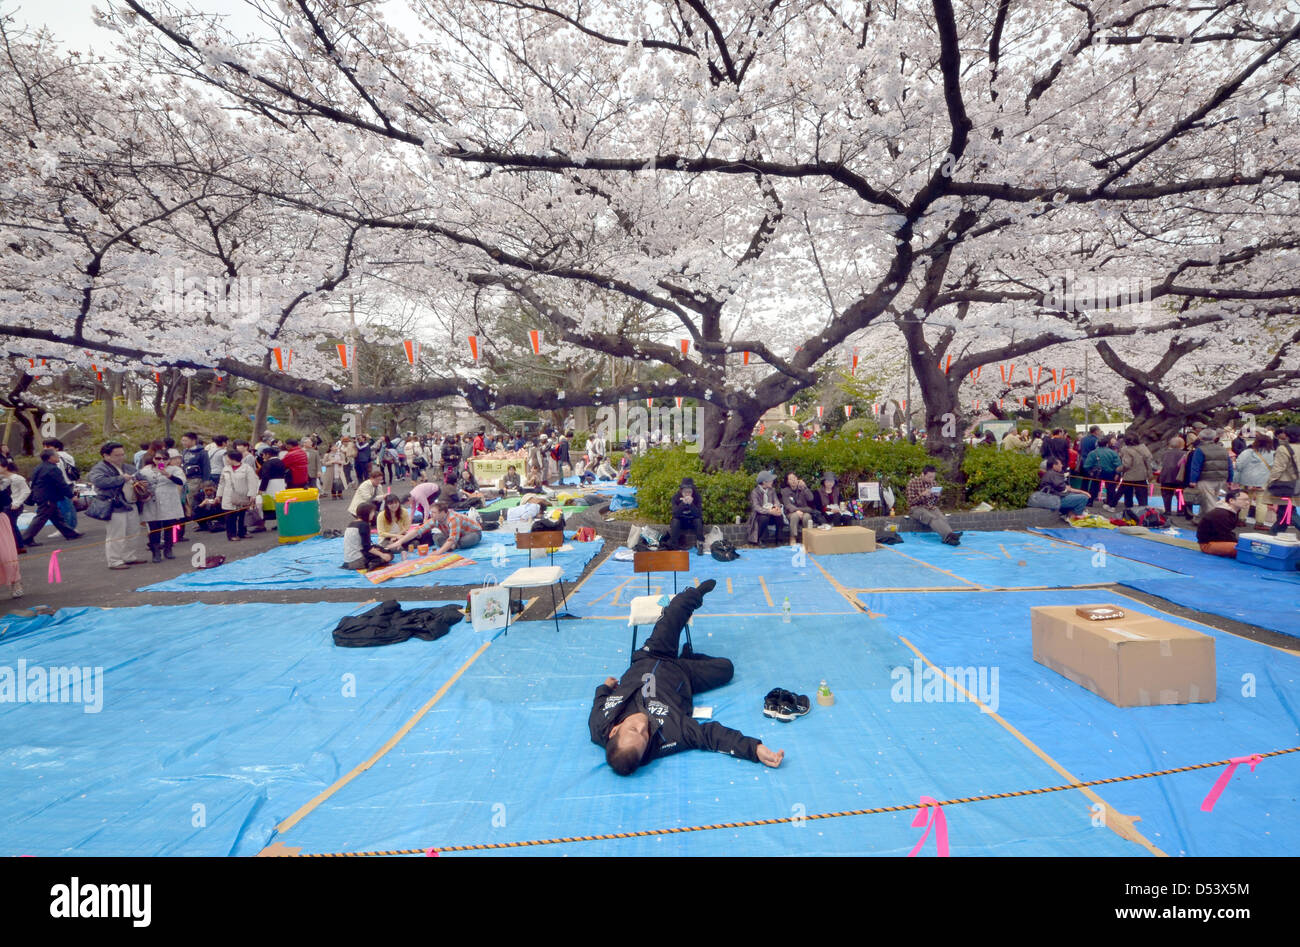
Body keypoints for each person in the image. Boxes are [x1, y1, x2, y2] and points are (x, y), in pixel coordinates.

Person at [591, 581, 784, 776]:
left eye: (633, 729)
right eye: (644, 736)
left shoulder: (600, 725)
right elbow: (709, 735)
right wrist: (754, 749)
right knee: (725, 668)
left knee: (674, 613)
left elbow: (598, 703)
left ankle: (693, 593)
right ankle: (687, 656)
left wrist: (605, 688)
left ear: (614, 731)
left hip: (651, 655)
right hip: (682, 676)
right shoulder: (671, 735)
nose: (642, 726)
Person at [88, 442, 148, 570]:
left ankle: (129, 557)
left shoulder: (128, 467)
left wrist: (142, 483)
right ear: (106, 456)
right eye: (117, 455)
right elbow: (99, 481)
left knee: (133, 532)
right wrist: (121, 479)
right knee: (116, 534)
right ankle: (114, 560)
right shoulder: (100, 468)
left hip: (132, 503)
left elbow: (141, 476)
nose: (121, 457)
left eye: (122, 454)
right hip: (115, 504)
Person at [18, 449, 83, 547]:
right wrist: (72, 496)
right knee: (41, 517)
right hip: (48, 496)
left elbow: (33, 482)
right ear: (50, 458)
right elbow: (61, 484)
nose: (58, 457)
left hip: (41, 495)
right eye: (56, 456)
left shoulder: (39, 467)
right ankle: (26, 538)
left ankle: (70, 534)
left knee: (56, 517)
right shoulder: (53, 469)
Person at [137, 448, 187, 562]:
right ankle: (155, 552)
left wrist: (168, 475)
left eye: (164, 459)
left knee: (169, 526)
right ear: (153, 459)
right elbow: (136, 481)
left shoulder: (175, 469)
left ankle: (168, 549)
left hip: (169, 501)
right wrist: (140, 484)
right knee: (154, 528)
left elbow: (181, 482)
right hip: (151, 502)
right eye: (158, 458)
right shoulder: (145, 470)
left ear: (168, 460)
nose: (161, 461)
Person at [905, 465, 962, 545]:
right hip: (916, 508)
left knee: (942, 518)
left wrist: (936, 496)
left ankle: (951, 536)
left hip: (930, 507)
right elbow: (910, 502)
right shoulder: (912, 483)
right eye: (929, 477)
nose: (931, 479)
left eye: (933, 477)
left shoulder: (934, 483)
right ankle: (948, 537)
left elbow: (934, 502)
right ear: (922, 474)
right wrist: (922, 495)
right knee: (931, 517)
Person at [1186, 428, 1234, 523]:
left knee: (1209, 502)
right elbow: (1230, 465)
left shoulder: (1200, 450)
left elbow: (1195, 466)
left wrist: (1193, 480)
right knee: (1210, 499)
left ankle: (1215, 522)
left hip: (1206, 479)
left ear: (1200, 437)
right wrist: (1230, 479)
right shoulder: (1223, 449)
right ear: (1215, 437)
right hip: (1221, 478)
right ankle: (1200, 519)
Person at [1263, 425, 1300, 537]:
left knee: (1287, 511)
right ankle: (1273, 535)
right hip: (1297, 483)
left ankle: (1272, 537)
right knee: (1284, 513)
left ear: (1287, 435)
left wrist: (1269, 484)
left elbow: (1278, 469)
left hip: (1285, 485)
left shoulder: (1283, 449)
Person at [1233, 435, 1275, 527]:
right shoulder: (1273, 453)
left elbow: (1239, 465)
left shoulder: (1247, 452)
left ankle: (1241, 520)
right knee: (1262, 503)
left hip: (1246, 480)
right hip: (1264, 481)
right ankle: (1259, 523)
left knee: (1244, 499)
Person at [218, 449, 259, 541]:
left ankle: (242, 532)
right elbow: (221, 483)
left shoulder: (247, 468)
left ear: (233, 458)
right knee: (230, 517)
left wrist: (252, 494)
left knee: (242, 515)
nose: (226, 460)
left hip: (242, 495)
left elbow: (252, 482)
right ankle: (231, 535)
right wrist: (218, 495)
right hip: (228, 496)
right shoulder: (225, 469)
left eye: (227, 458)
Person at [1196, 489, 1251, 557]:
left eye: (1248, 500)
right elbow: (1223, 535)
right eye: (1244, 500)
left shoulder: (1232, 511)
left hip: (1217, 540)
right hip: (1208, 544)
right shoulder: (1221, 514)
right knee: (1243, 549)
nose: (1247, 502)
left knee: (1247, 546)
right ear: (1231, 501)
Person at [342, 501, 393, 571]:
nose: (373, 514)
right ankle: (373, 563)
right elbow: (367, 547)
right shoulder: (364, 525)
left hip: (347, 560)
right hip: (357, 560)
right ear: (366, 514)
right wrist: (382, 555)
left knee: (379, 549)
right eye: (372, 512)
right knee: (389, 555)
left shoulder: (352, 523)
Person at [178, 432, 210, 541]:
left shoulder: (202, 452)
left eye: (185, 440)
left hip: (196, 479)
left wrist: (205, 481)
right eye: (182, 440)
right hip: (185, 479)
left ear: (193, 440)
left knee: (193, 500)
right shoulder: (184, 452)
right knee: (187, 501)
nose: (183, 443)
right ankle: (197, 520)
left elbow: (206, 467)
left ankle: (198, 520)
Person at [1116, 433, 1155, 515]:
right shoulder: (1143, 448)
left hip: (1130, 476)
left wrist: (1119, 469)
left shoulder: (1126, 450)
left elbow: (1127, 464)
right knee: (1142, 495)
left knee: (1128, 494)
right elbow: (1149, 459)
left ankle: (1129, 511)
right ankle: (1144, 511)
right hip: (1142, 475)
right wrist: (1149, 473)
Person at [780, 471, 822, 544]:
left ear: (797, 479)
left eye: (794, 478)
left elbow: (811, 498)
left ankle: (807, 537)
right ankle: (793, 537)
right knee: (795, 516)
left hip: (805, 512)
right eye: (790, 479)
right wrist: (797, 511)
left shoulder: (802, 488)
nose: (793, 480)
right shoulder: (785, 491)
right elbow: (788, 505)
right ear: (787, 482)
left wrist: (805, 488)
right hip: (791, 512)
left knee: (807, 517)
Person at [667, 477, 706, 554]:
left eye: (689, 492)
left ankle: (700, 544)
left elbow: (698, 514)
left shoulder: (697, 497)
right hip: (681, 521)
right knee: (675, 521)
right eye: (685, 492)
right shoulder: (676, 497)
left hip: (692, 521)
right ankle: (674, 545)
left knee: (698, 521)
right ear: (681, 491)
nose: (687, 494)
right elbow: (675, 514)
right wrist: (683, 504)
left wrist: (691, 504)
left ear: (692, 491)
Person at [745, 470, 785, 545]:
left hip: (771, 512)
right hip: (759, 515)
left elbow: (776, 501)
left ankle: (779, 539)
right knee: (764, 518)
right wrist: (769, 511)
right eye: (770, 480)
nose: (772, 482)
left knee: (779, 517)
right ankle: (761, 539)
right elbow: (756, 507)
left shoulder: (772, 490)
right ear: (764, 482)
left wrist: (777, 508)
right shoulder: (755, 492)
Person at [1083, 435, 1122, 509]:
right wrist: (1117, 473)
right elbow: (1118, 464)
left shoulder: (1093, 453)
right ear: (1107, 444)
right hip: (1110, 473)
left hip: (1097, 473)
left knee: (1093, 487)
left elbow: (1087, 465)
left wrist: (1090, 471)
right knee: (1111, 489)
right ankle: (1110, 502)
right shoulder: (1112, 453)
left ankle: (1090, 501)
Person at [1155, 435, 1189, 516]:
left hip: (1166, 476)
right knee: (1180, 494)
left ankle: (1167, 510)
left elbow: (1160, 465)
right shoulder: (1185, 453)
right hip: (1179, 477)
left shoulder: (1164, 453)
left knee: (1166, 494)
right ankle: (1180, 511)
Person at [0, 458, 28, 554]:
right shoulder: (1, 479)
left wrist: (17, 503)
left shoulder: (16, 478)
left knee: (11, 526)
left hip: (14, 505)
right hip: (6, 505)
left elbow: (26, 491)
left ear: (5, 467)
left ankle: (19, 546)